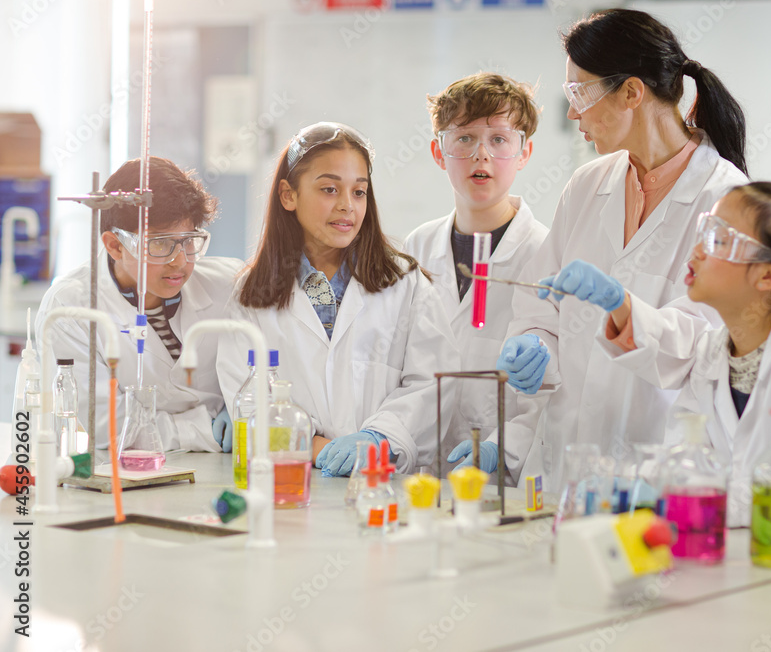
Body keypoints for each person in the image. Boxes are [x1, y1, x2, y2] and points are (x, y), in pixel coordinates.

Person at [497, 8, 749, 486]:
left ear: (632, 92)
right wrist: (534, 345)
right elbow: (540, 303)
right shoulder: (589, 184)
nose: (571, 113)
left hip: (655, 465)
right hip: (564, 461)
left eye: (579, 93)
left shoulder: (726, 199)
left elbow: (706, 342)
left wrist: (623, 308)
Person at [544, 182, 771, 526]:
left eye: (719, 239)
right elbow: (684, 455)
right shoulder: (715, 349)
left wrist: (681, 500)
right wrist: (631, 484)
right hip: (722, 548)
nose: (697, 251)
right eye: (704, 231)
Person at [217, 122, 460, 476]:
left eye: (359, 192)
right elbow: (250, 402)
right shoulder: (250, 296)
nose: (347, 206)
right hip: (294, 483)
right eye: (330, 189)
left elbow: (435, 382)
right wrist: (319, 448)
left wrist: (380, 437)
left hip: (382, 481)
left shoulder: (403, 283)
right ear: (288, 195)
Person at [36, 157, 242, 452]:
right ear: (115, 245)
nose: (180, 261)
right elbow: (102, 426)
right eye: (159, 244)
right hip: (127, 478)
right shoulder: (71, 308)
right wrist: (206, 428)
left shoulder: (230, 284)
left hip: (225, 471)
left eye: (188, 241)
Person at [403, 73, 549, 479]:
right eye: (464, 138)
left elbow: (554, 391)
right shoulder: (416, 248)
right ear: (438, 151)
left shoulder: (546, 254)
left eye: (500, 139)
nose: (481, 155)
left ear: (524, 153)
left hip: (501, 474)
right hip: (418, 468)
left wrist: (500, 448)